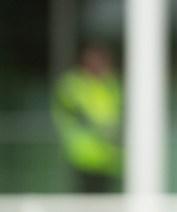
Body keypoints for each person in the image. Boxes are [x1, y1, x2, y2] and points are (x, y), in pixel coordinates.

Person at [51, 43, 123, 193]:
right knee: (84, 206)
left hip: (109, 158)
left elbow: (119, 114)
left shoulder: (112, 84)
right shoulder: (73, 83)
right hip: (82, 158)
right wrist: (102, 131)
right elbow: (77, 115)